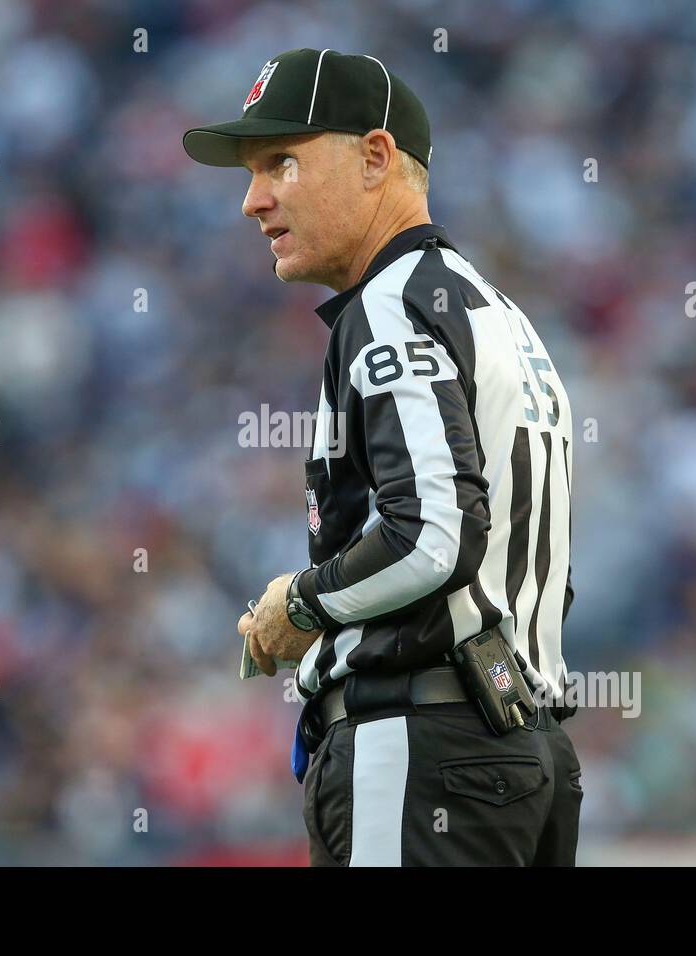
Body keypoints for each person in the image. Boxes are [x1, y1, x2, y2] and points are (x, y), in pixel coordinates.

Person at [183, 48, 583, 866]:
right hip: (520, 750)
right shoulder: (497, 313)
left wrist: (297, 605)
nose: (253, 200)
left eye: (281, 163)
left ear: (376, 157)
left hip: (421, 749)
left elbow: (434, 535)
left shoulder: (394, 303)